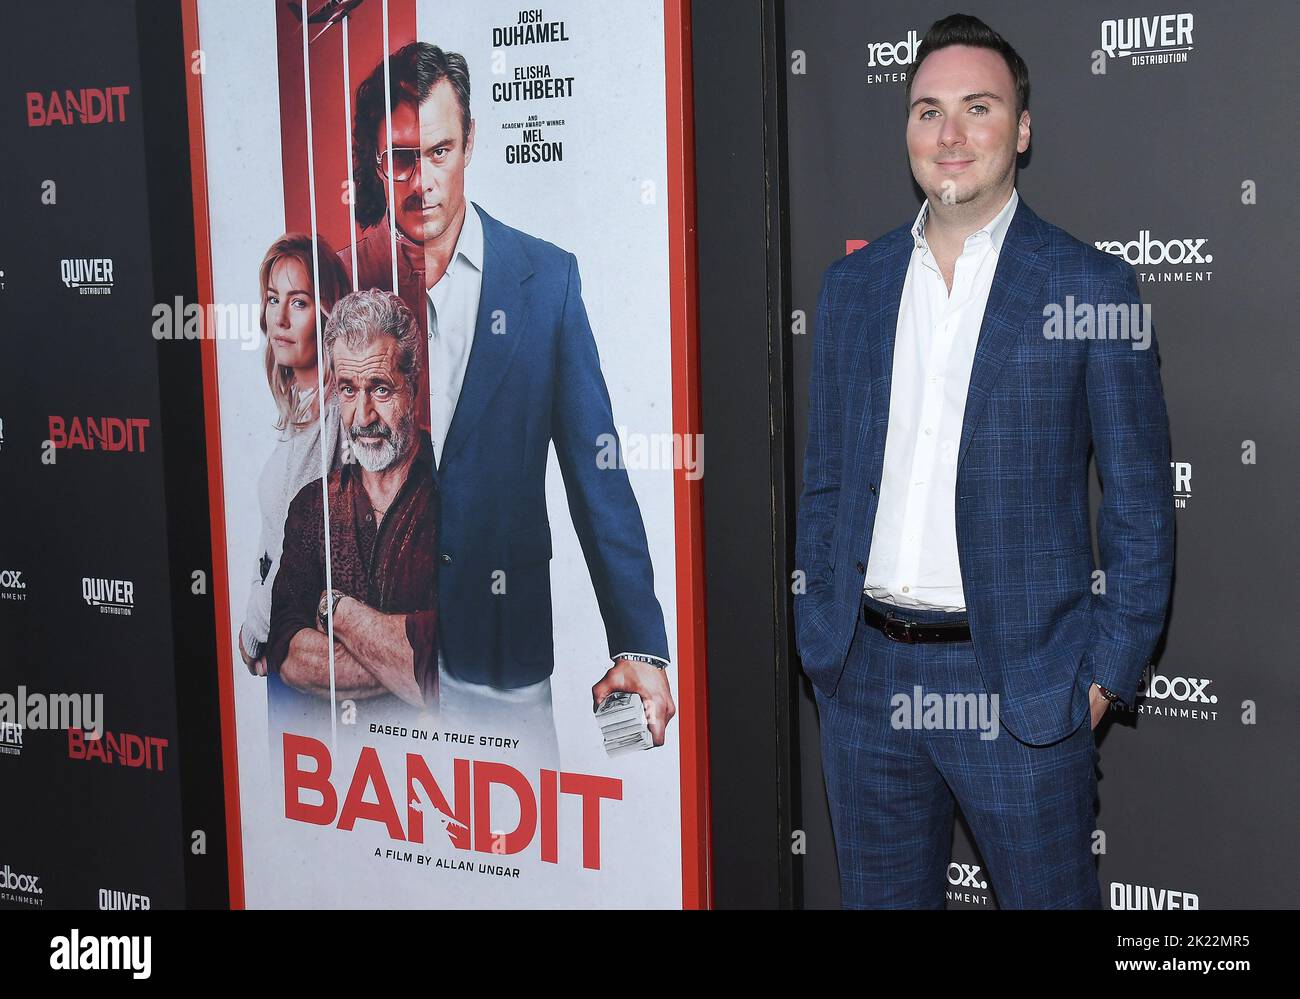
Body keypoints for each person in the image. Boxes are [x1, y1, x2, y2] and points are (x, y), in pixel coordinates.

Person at [794, 14, 1174, 909]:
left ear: (1023, 129)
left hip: (1021, 689)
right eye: (929, 111)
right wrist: (821, 631)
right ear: (908, 131)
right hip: (863, 679)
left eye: (978, 107)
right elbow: (825, 480)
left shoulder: (1089, 288)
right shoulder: (852, 289)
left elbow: (1141, 504)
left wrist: (1102, 676)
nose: (950, 135)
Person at [341, 42, 675, 756]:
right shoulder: (343, 276)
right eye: (401, 158)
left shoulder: (546, 280)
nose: (421, 181)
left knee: (526, 858)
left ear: (470, 146)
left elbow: (598, 474)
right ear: (376, 163)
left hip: (503, 657)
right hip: (372, 659)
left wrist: (640, 645)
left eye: (439, 151)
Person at [265, 289, 439, 726]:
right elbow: (285, 651)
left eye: (380, 389)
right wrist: (404, 655)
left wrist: (333, 609)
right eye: (347, 390)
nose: (362, 417)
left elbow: (448, 659)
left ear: (414, 390)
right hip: (333, 775)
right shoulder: (311, 507)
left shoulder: (457, 502)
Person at [238, 234, 349, 679]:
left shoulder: (333, 416)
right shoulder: (301, 407)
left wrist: (254, 633)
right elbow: (268, 541)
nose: (280, 319)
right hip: (280, 640)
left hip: (305, 649)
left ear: (326, 312)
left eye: (299, 302)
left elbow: (293, 548)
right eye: (272, 299)